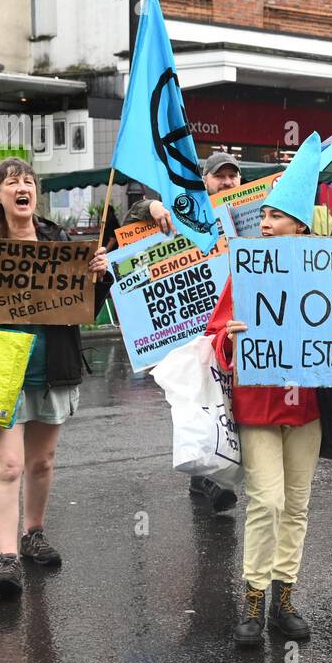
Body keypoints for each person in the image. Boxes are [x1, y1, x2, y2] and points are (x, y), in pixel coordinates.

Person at [0, 157, 112, 596]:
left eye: (29, 182)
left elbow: (86, 310)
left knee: (41, 462)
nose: (23, 188)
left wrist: (99, 277)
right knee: (8, 465)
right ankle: (7, 559)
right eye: (13, 182)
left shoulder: (59, 240)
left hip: (50, 366)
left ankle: (33, 533)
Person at [204, 135, 328, 647]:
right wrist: (229, 338)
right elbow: (215, 333)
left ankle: (284, 597)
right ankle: (253, 599)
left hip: (308, 409)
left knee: (297, 505)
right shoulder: (246, 270)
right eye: (265, 216)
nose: (266, 223)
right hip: (257, 403)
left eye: (275, 216)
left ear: (298, 224)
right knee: (268, 502)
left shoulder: (328, 269)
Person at [125, 152, 241, 513]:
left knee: (226, 401)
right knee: (198, 398)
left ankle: (210, 472)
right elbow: (134, 215)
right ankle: (206, 475)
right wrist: (154, 206)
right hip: (190, 328)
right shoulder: (184, 211)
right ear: (204, 180)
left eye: (233, 177)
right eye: (219, 176)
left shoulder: (243, 211)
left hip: (229, 326)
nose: (227, 183)